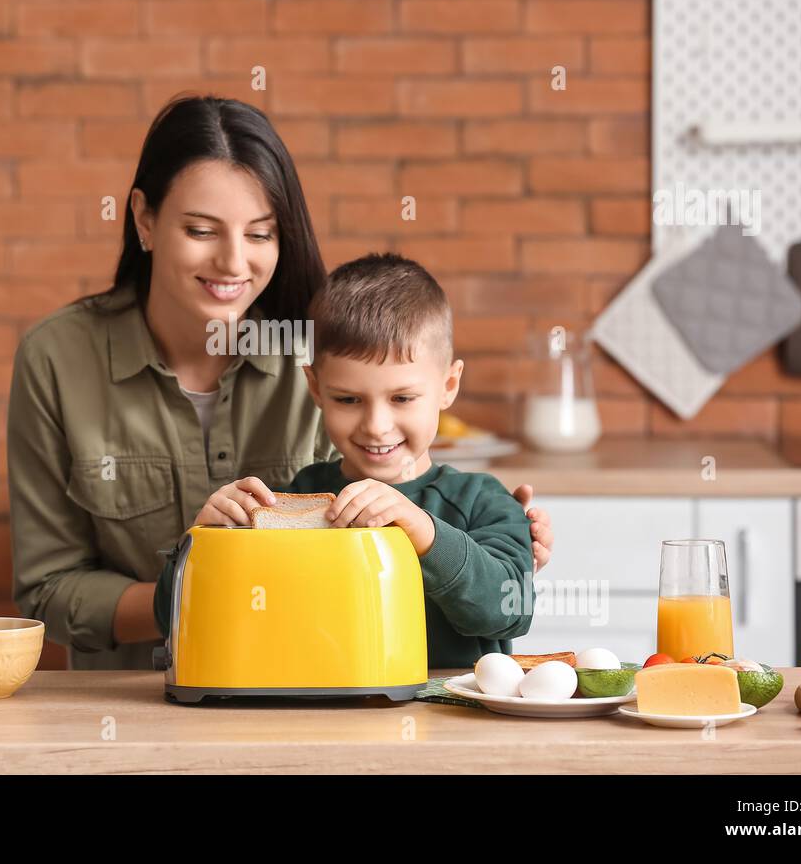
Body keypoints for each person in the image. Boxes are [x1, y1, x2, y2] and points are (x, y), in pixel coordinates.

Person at [8, 95, 554, 669]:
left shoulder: (321, 343)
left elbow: (396, 487)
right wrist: (203, 567)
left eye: (261, 234)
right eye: (200, 229)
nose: (232, 262)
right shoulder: (56, 358)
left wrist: (478, 544)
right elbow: (49, 592)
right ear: (144, 219)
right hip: (139, 700)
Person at [155, 253, 534, 666]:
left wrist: (424, 533)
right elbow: (173, 618)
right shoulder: (290, 500)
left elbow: (509, 611)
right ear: (315, 389)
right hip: (322, 718)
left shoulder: (482, 500)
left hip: (449, 723)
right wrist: (203, 541)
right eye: (348, 399)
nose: (375, 425)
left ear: (448, 385)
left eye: (402, 398)